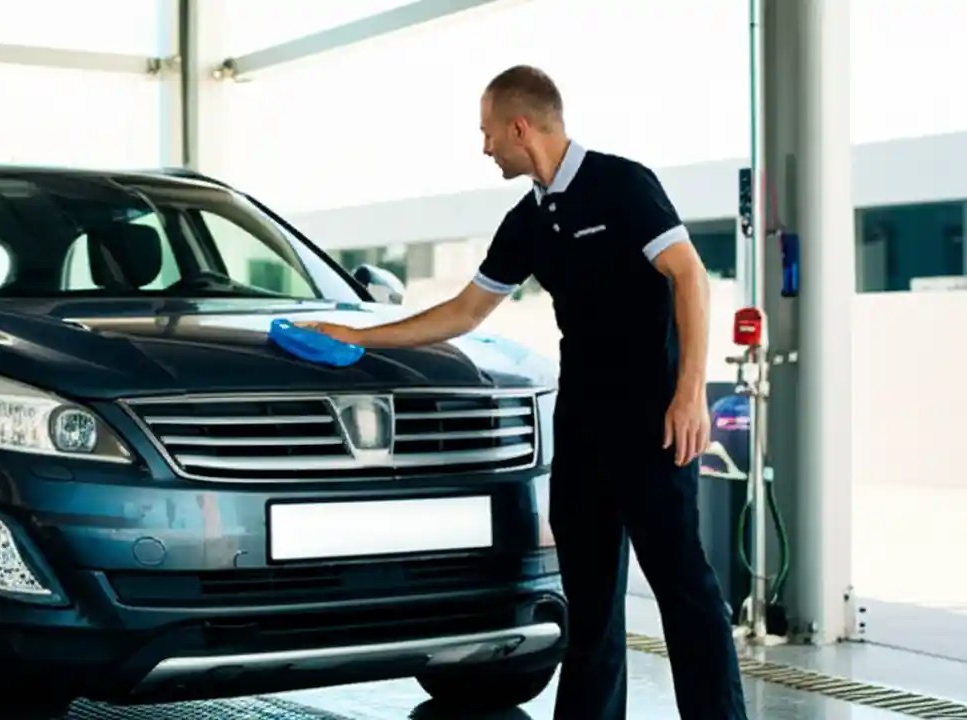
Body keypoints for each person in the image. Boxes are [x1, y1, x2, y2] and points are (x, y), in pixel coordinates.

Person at [302, 65, 749, 719]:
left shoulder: (623, 184)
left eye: (488, 134)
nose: (485, 148)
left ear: (520, 126)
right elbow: (461, 313)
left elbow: (690, 278)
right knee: (591, 598)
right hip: (582, 426)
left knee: (684, 589)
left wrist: (689, 396)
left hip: (653, 422)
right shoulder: (527, 221)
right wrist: (359, 335)